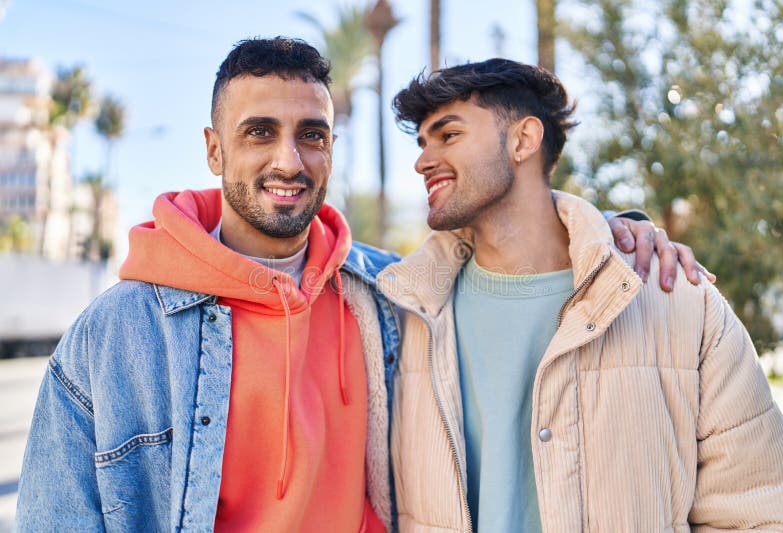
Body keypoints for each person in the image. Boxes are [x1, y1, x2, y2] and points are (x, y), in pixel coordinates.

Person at [15, 38, 703, 532]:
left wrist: (612, 230)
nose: (290, 159)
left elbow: (514, 245)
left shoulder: (392, 293)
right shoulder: (114, 335)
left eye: (312, 134)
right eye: (260, 132)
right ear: (214, 149)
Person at [380, 58, 783, 532]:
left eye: (448, 135)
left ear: (523, 140)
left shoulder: (678, 300)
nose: (421, 161)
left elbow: (759, 510)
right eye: (421, 142)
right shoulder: (401, 316)